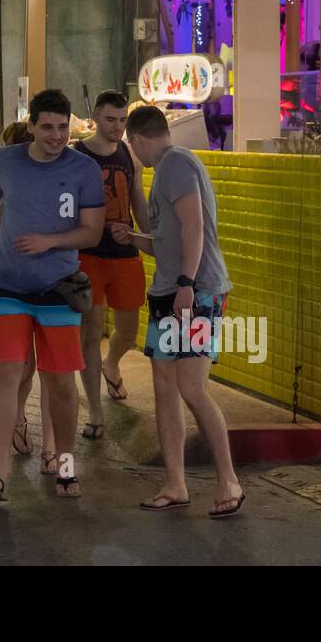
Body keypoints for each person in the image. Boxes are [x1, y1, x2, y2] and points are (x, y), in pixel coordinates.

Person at [0, 89, 104, 503]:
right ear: (31, 125)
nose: (55, 135)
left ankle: (66, 467)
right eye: (47, 127)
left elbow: (93, 231)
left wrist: (49, 242)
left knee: (61, 383)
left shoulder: (84, 169)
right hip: (7, 288)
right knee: (7, 374)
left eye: (63, 127)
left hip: (59, 290)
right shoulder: (5, 162)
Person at [124, 105, 244, 518]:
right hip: (172, 292)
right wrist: (135, 238)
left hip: (193, 294)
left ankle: (228, 479)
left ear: (137, 139)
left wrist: (187, 285)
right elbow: (170, 241)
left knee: (191, 387)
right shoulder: (171, 169)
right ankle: (176, 483)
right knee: (164, 387)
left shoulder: (174, 164)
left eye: (131, 145)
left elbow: (194, 226)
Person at [73, 89, 149, 440]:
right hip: (88, 255)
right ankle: (95, 412)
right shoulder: (77, 156)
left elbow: (139, 203)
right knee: (89, 333)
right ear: (96, 119)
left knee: (128, 332)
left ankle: (112, 364)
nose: (117, 127)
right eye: (110, 120)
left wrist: (152, 240)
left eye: (122, 120)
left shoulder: (129, 156)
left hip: (125, 253)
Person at [0, 120, 57, 473]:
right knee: (43, 369)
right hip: (38, 289)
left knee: (25, 368)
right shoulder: (9, 187)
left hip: (19, 288)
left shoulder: (5, 189)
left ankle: (22, 425)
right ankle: (49, 449)